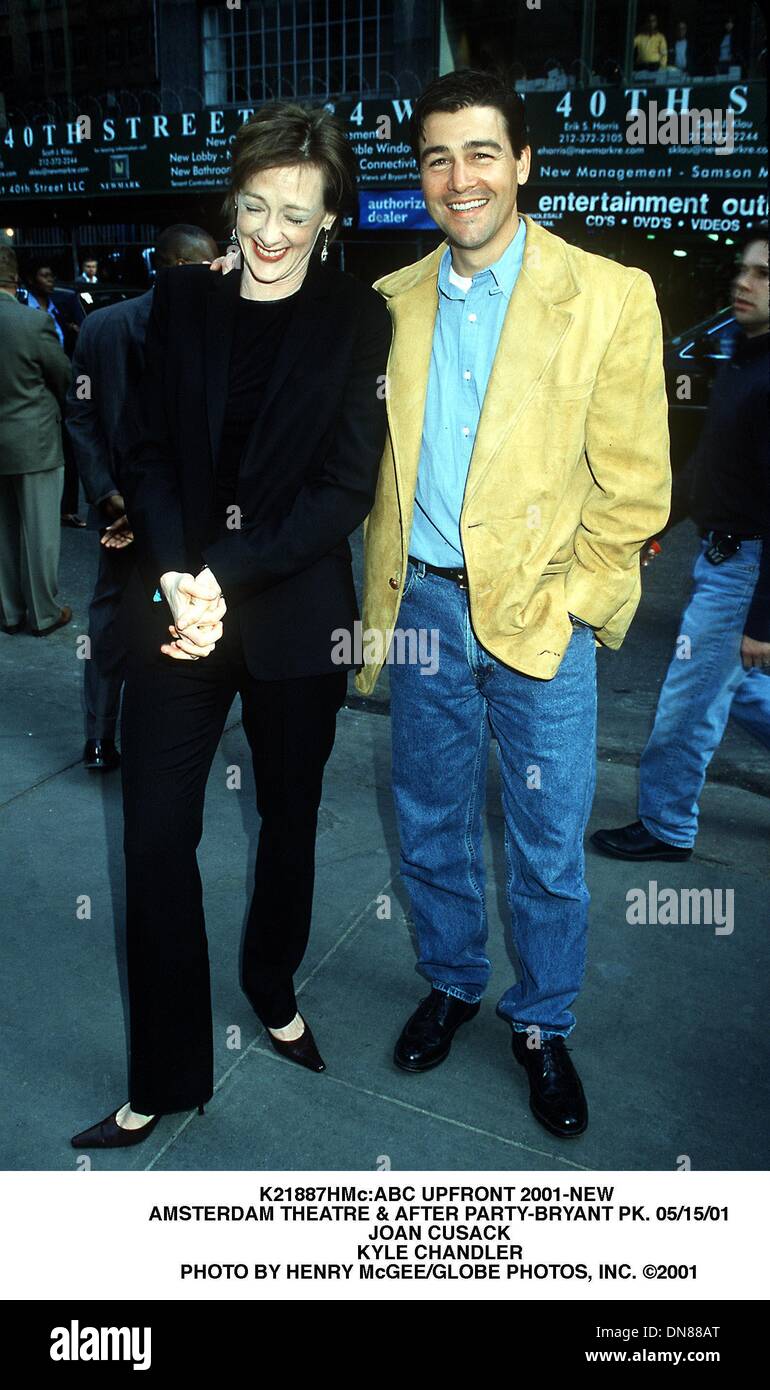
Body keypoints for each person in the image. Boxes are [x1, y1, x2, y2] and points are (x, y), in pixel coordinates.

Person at [354, 70, 671, 1139]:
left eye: (481, 152)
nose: (460, 176)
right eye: (437, 156)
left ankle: (539, 1024)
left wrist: (575, 604)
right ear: (422, 177)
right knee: (430, 823)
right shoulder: (389, 303)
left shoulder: (608, 295)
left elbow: (633, 485)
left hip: (542, 621)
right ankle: (450, 981)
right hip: (426, 618)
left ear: (522, 162)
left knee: (544, 843)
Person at [70, 103, 391, 1150]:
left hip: (293, 616)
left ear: (329, 217)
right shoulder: (181, 300)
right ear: (232, 202)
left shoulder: (356, 320)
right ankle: (164, 1074)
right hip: (177, 616)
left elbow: (345, 487)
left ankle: (268, 977)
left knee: (287, 819)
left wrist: (222, 573)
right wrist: (176, 577)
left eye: (294, 214)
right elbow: (143, 447)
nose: (268, 233)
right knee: (156, 834)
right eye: (253, 207)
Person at [592, 225, 769, 863]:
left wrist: (762, 619)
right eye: (744, 270)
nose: (743, 284)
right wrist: (651, 532)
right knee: (736, 689)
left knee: (689, 703)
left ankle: (667, 827)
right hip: (721, 558)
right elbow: (703, 473)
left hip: (744, 568)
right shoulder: (743, 358)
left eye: (763, 275)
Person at [66, 224, 220, 774]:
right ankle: (133, 740)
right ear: (171, 266)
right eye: (199, 267)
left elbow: (81, 418)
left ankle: (105, 738)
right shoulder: (203, 325)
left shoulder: (102, 326)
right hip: (162, 516)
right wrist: (113, 496)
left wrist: (106, 493)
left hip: (128, 512)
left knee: (119, 619)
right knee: (161, 620)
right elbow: (85, 414)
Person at [0, 247, 72, 636]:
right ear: (14, 281)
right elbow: (63, 376)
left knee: (3, 531)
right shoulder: (33, 323)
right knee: (40, 531)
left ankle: (9, 612)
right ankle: (43, 613)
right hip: (35, 442)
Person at [23, 258, 87, 527]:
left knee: (69, 447)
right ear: (31, 280)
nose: (50, 281)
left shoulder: (64, 303)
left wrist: (76, 330)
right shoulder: (22, 307)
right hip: (33, 386)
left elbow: (84, 331)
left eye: (52, 276)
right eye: (45, 275)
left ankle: (67, 508)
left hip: (63, 382)